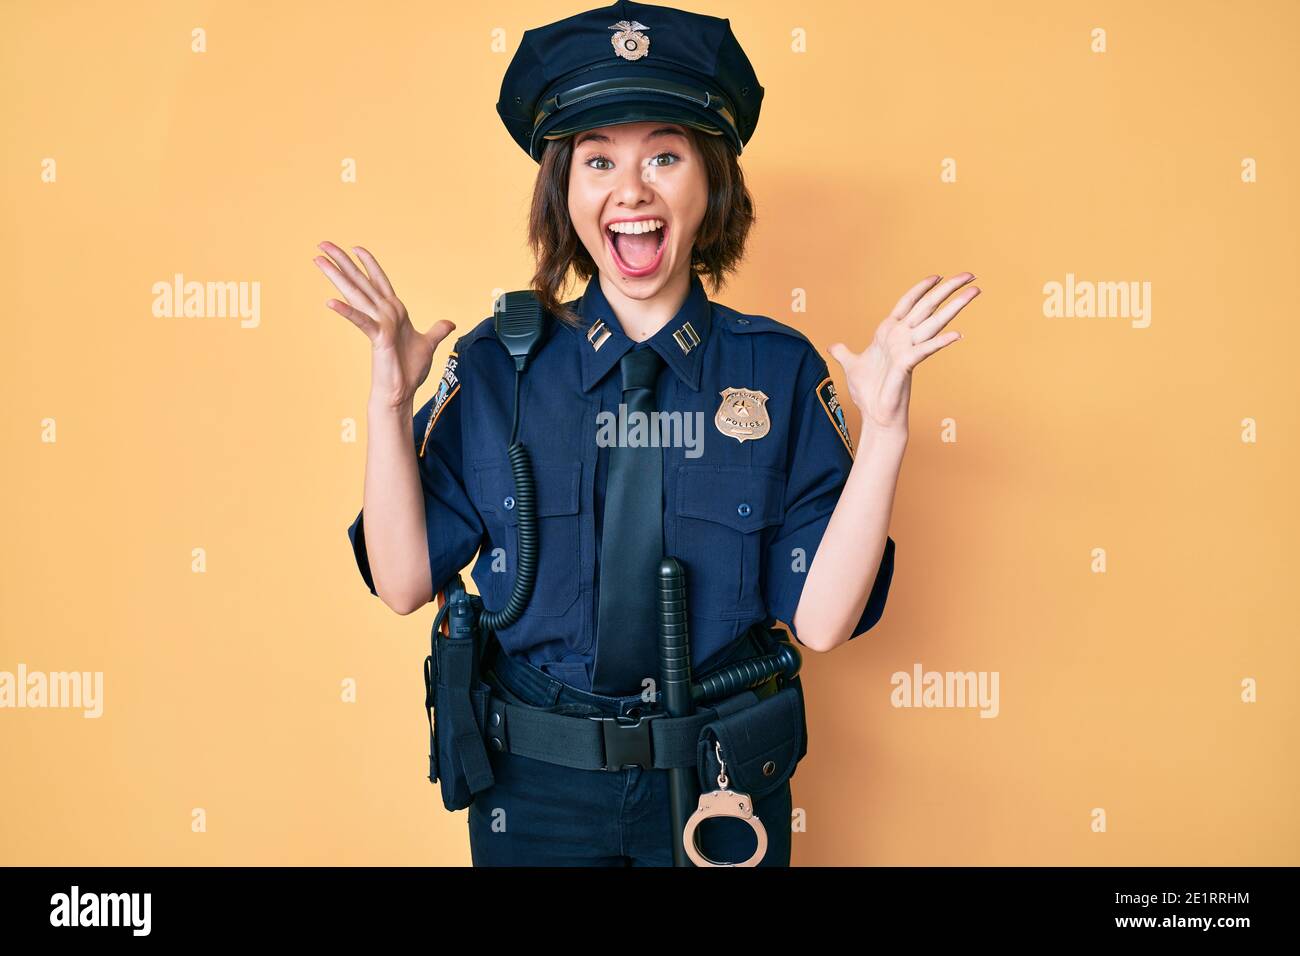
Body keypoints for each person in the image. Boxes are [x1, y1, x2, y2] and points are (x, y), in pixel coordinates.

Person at [314, 0, 978, 866]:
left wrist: (885, 431)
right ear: (567, 193)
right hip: (533, 792)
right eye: (598, 162)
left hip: (719, 785)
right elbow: (403, 584)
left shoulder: (774, 370)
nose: (631, 190)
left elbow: (820, 622)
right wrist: (387, 403)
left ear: (710, 185)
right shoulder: (492, 366)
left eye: (665, 156)